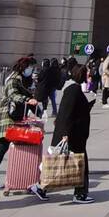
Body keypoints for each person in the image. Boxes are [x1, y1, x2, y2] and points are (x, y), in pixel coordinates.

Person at [36, 61, 95, 203]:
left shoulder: (73, 89)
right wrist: (65, 134)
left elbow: (70, 111)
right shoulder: (73, 89)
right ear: (80, 74)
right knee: (80, 165)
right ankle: (80, 194)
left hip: (74, 133)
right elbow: (67, 113)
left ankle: (40, 187)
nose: (89, 74)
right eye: (87, 72)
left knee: (59, 163)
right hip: (73, 135)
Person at [0, 56, 41, 188]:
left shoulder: (23, 80)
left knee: (16, 147)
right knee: (3, 147)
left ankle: (23, 177)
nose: (31, 70)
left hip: (17, 117)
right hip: (8, 117)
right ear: (24, 67)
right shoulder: (14, 79)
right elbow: (13, 95)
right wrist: (27, 100)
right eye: (30, 67)